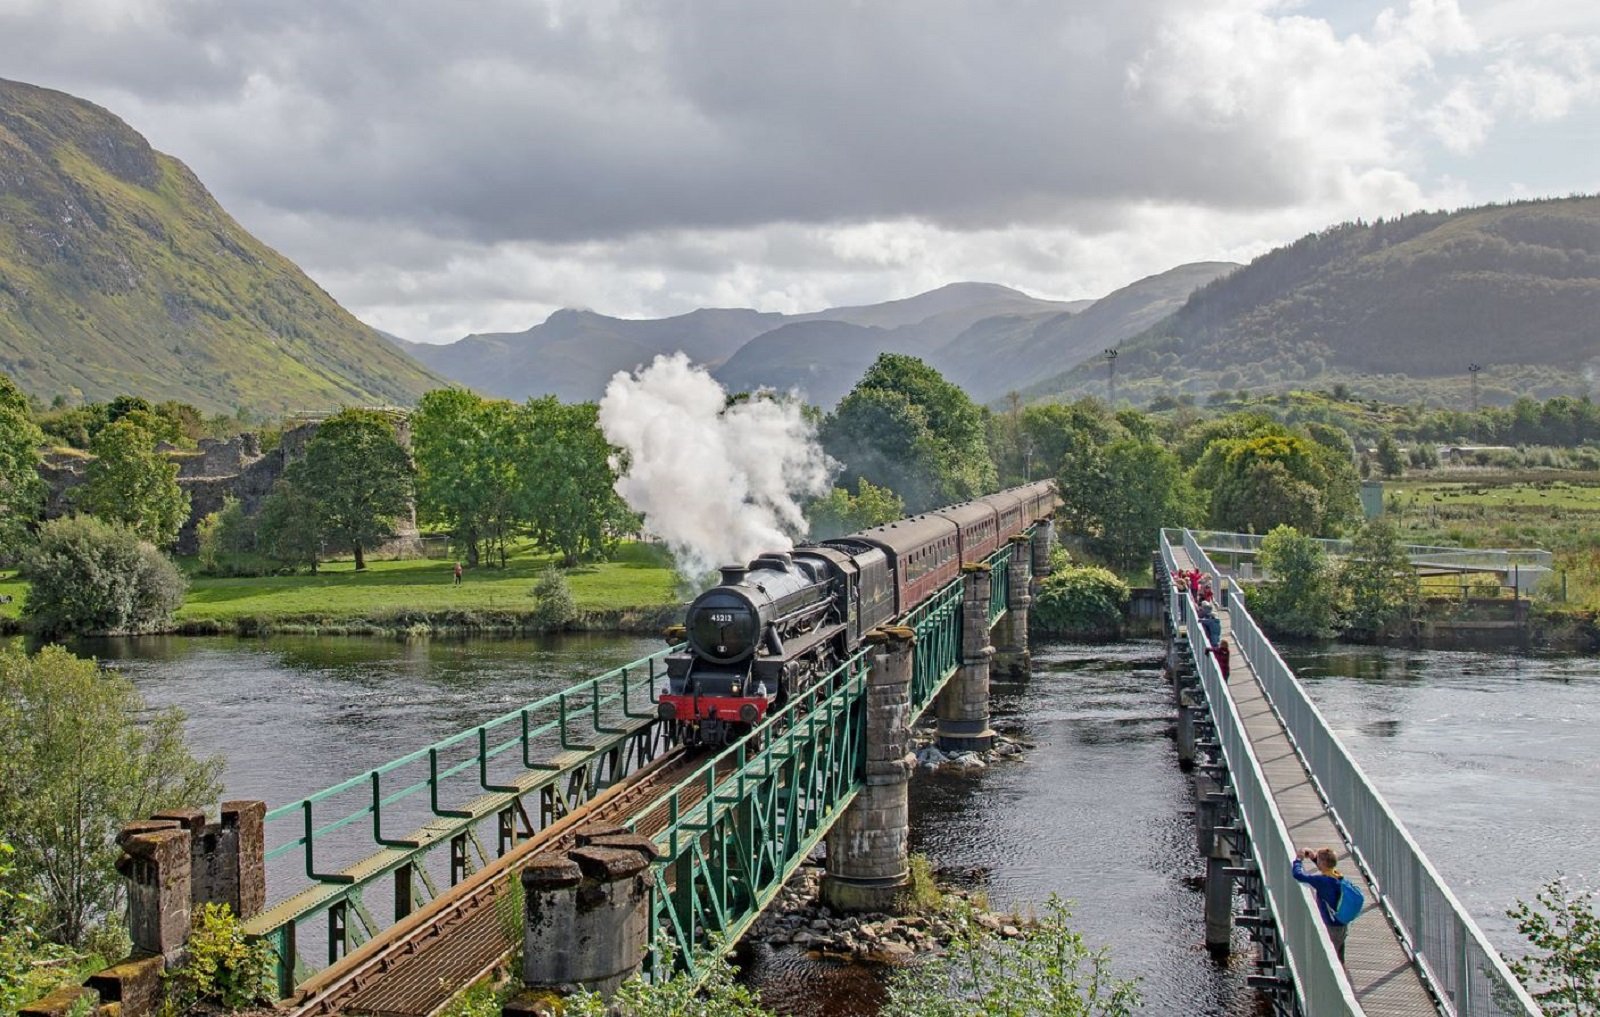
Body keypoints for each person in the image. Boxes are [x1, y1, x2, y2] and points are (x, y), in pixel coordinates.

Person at [1293, 847, 1350, 962]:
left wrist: (1298, 860)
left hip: (1331, 925)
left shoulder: (1322, 881)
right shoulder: (1336, 875)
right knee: (1339, 958)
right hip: (1341, 923)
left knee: (1331, 959)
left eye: (1318, 860)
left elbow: (1298, 875)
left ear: (1323, 863)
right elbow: (1325, 868)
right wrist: (1314, 858)